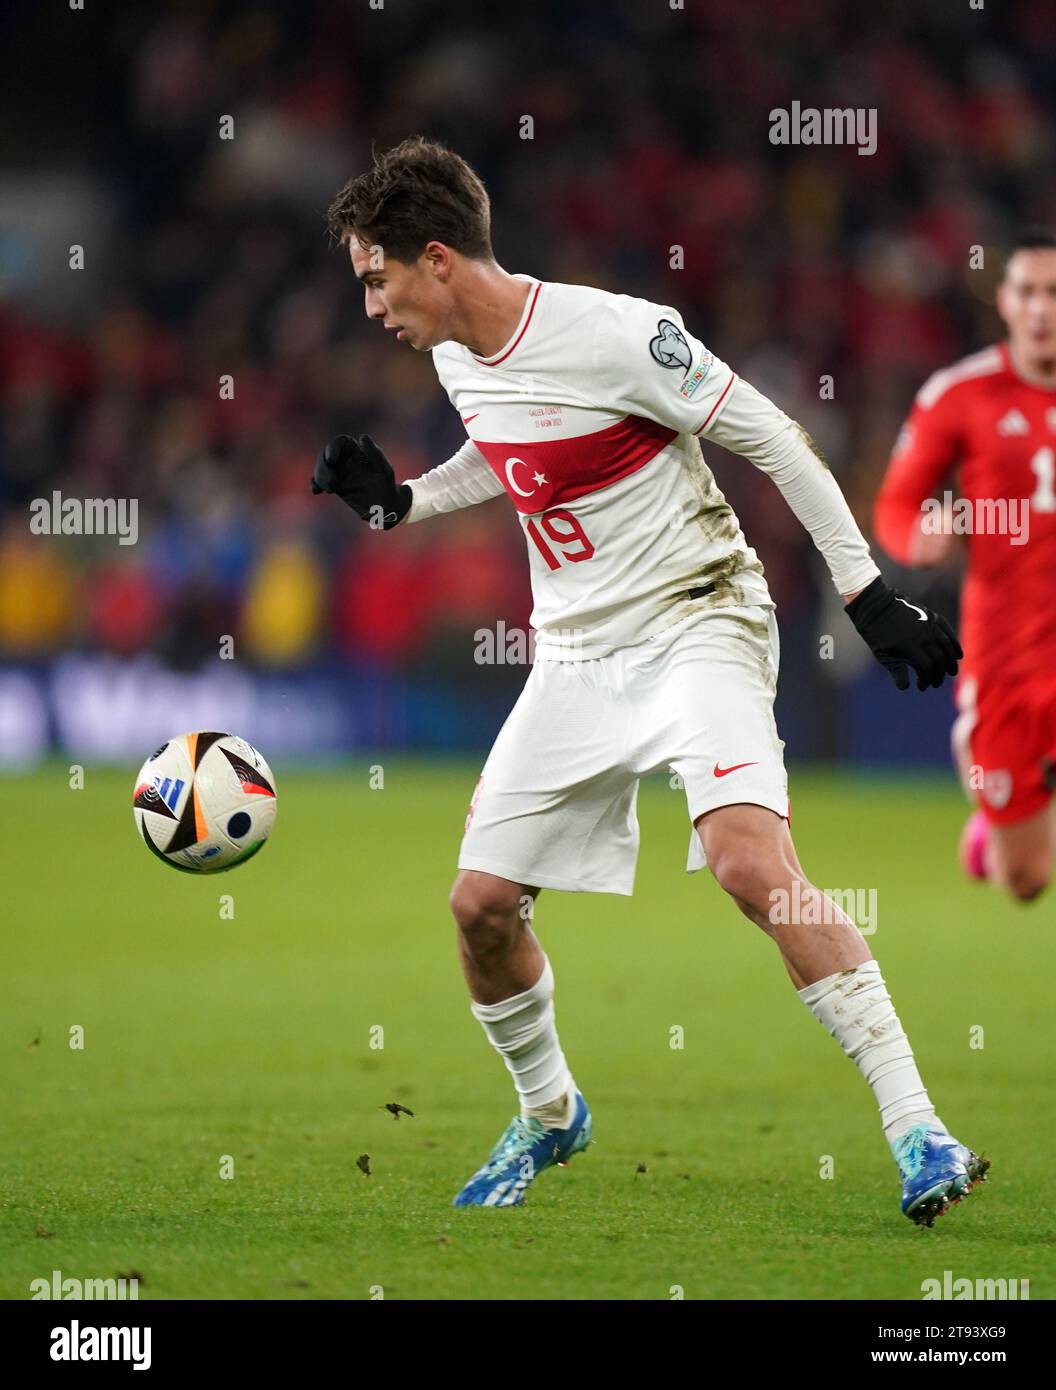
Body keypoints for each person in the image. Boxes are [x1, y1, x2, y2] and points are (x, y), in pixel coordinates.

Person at [313, 136, 984, 1225]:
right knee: (480, 908)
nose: (372, 306)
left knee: (747, 862)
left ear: (434, 258)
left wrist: (865, 593)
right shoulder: (453, 358)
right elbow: (507, 450)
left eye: (375, 279)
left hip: (697, 619)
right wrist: (401, 501)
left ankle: (920, 1129)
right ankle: (551, 1110)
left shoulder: (619, 332)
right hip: (576, 654)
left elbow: (774, 436)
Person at [875, 230, 1056, 904]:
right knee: (1026, 882)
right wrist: (917, 534)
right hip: (1007, 660)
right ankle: (992, 826)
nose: (1042, 308)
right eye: (1029, 292)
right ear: (1005, 301)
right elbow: (895, 505)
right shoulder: (960, 394)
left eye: (1055, 294)